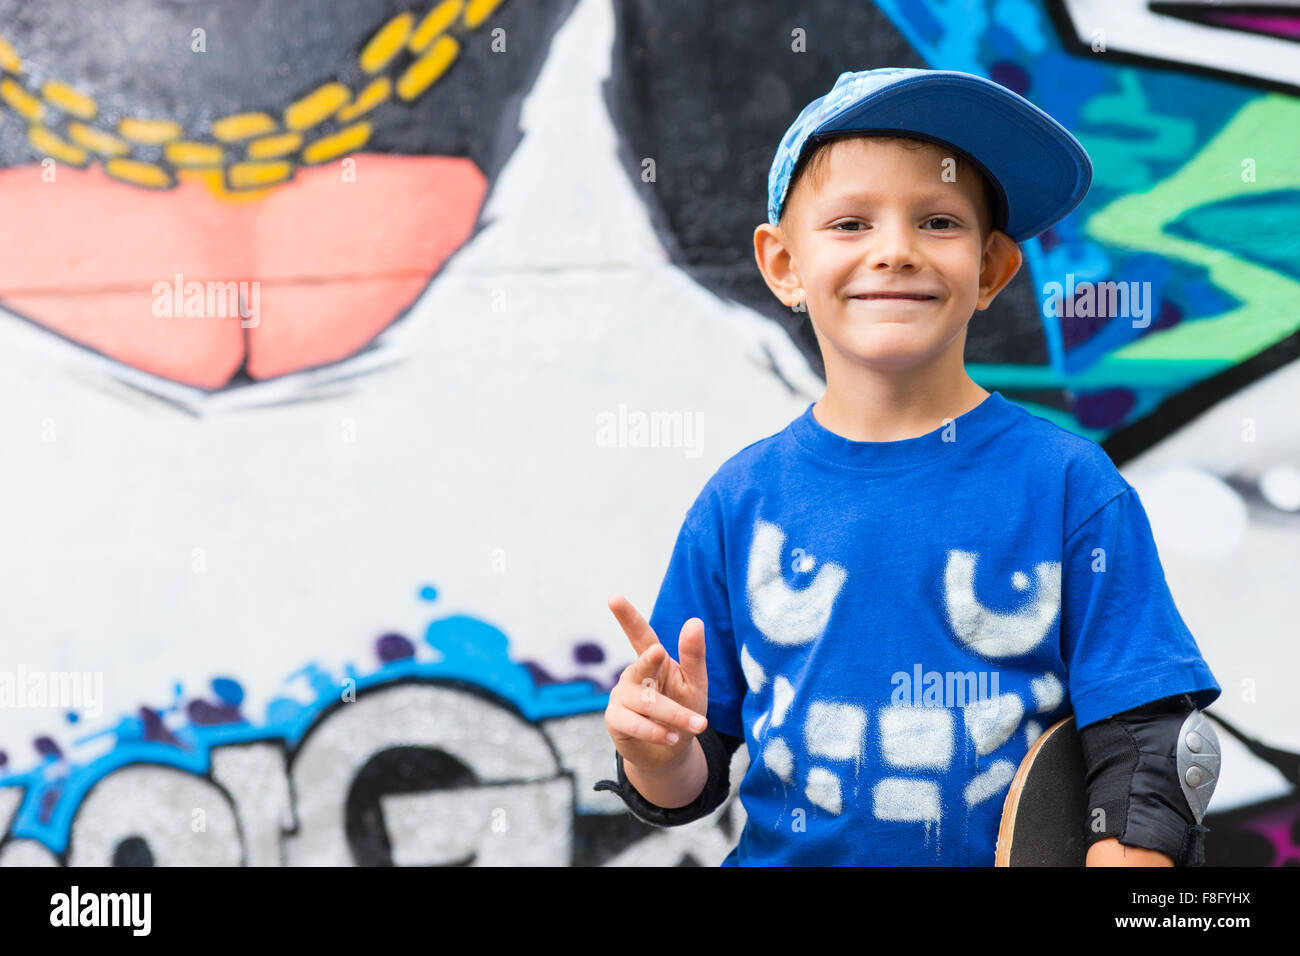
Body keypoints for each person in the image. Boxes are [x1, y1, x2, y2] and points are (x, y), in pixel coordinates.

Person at [594, 67, 1221, 866]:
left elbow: (1145, 748)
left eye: (938, 221)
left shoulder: (1070, 486)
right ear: (784, 264)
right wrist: (657, 753)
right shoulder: (738, 502)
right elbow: (691, 778)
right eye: (851, 223)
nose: (894, 251)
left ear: (991, 269)